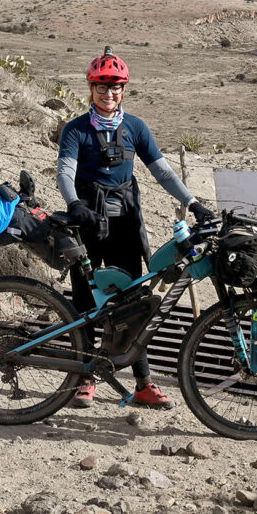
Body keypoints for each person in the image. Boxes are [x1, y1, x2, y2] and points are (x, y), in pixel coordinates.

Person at [57, 47, 214, 408]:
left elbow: (161, 171)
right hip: (87, 223)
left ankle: (143, 383)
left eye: (115, 87)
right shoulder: (76, 130)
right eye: (101, 86)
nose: (107, 94)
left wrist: (193, 203)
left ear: (124, 90)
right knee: (84, 300)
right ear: (90, 88)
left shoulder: (135, 128)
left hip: (126, 224)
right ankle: (85, 377)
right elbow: (65, 171)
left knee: (132, 302)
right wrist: (75, 204)